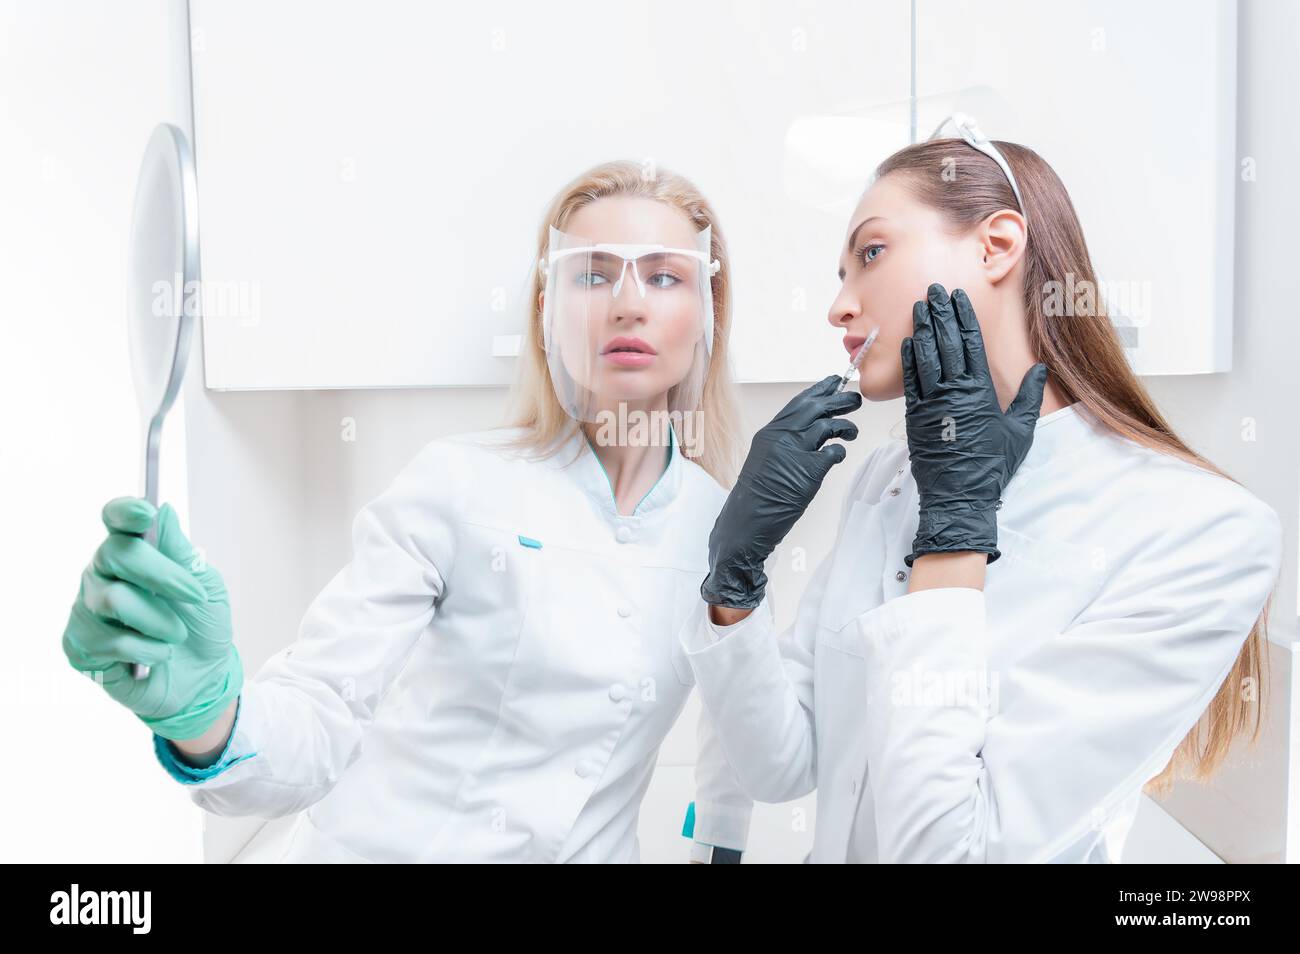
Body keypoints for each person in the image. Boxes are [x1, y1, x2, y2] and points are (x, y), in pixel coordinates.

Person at [62, 160, 754, 863]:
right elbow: (323, 702)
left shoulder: (725, 531)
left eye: (664, 276)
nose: (627, 304)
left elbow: (735, 763)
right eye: (593, 274)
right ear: (548, 310)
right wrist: (208, 713)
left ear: (708, 311)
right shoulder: (459, 484)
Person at [683, 125, 1284, 863]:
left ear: (998, 244)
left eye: (870, 253)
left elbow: (947, 853)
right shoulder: (889, 478)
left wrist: (955, 532)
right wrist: (734, 576)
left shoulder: (1202, 531)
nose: (838, 306)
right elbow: (781, 765)